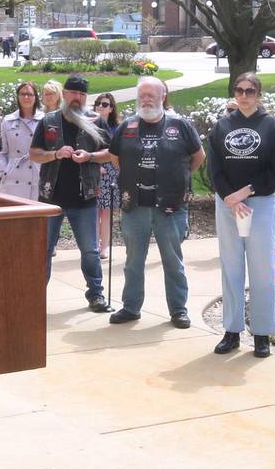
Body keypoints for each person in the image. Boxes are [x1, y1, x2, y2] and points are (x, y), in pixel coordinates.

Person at [105, 77, 205, 328]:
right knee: (133, 262)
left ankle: (178, 310)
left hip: (170, 207)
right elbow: (115, 158)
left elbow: (198, 157)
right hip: (134, 206)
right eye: (142, 95)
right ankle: (131, 308)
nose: (146, 99)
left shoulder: (180, 125)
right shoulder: (127, 126)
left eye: (151, 95)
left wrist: (177, 178)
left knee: (172, 261)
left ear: (163, 96)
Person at [208, 72, 275, 357]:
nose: (244, 95)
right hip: (228, 205)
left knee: (261, 268)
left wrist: (246, 192)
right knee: (231, 267)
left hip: (259, 203)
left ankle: (262, 334)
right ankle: (231, 331)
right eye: (239, 90)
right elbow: (214, 168)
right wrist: (230, 198)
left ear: (258, 94)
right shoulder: (221, 126)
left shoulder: (272, 126)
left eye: (250, 91)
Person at [29, 75, 112, 311]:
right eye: (73, 93)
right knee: (43, 250)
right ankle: (35, 298)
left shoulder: (96, 121)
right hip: (50, 198)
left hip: (84, 197)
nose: (78, 98)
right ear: (64, 94)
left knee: (90, 250)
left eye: (82, 94)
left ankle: (96, 295)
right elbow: (34, 154)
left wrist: (90, 156)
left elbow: (111, 153)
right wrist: (55, 154)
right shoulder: (49, 121)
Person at [0, 81, 44, 199]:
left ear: (36, 97)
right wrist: (2, 172)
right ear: (18, 96)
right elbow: (1, 151)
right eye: (22, 94)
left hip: (36, 174)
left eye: (30, 94)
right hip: (12, 177)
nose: (26, 97)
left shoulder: (45, 120)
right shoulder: (8, 121)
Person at [93, 92, 121, 259]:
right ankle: (94, 245)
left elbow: (119, 151)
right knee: (94, 212)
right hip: (92, 172)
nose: (100, 107)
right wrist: (95, 166)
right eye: (98, 103)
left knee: (106, 212)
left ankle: (105, 246)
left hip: (111, 173)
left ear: (111, 108)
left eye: (104, 104)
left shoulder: (117, 129)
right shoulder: (89, 125)